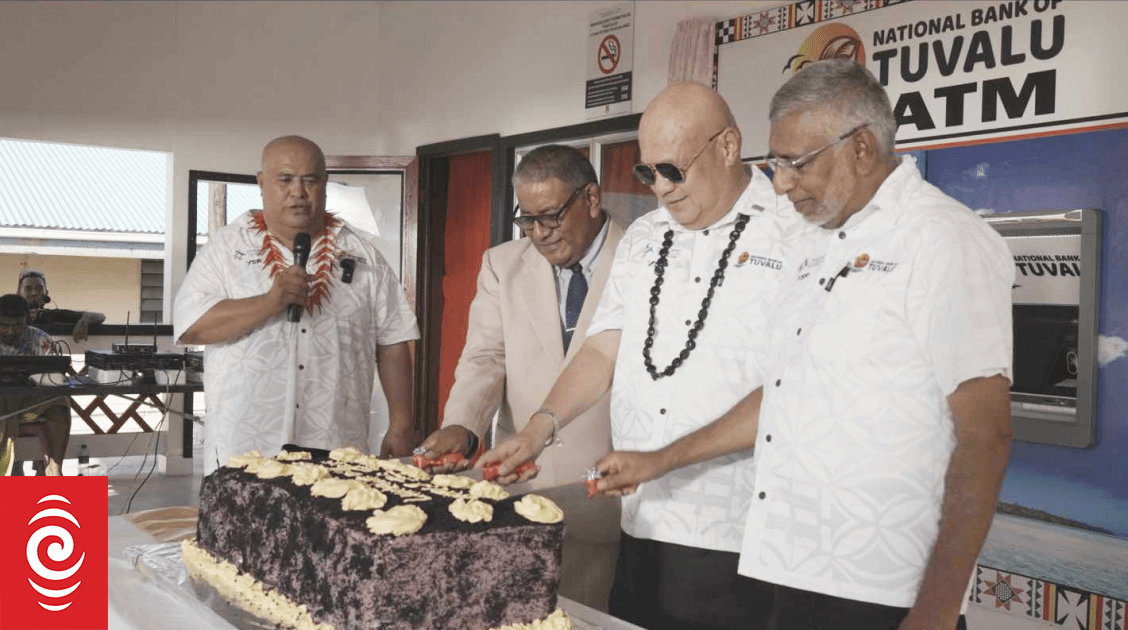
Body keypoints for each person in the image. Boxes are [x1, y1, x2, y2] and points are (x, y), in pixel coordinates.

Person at [596, 59, 1015, 630]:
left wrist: (936, 612)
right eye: (776, 163)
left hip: (882, 587)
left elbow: (986, 436)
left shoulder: (941, 238)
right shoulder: (815, 244)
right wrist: (661, 459)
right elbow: (783, 393)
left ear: (861, 148)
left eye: (797, 163)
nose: (782, 183)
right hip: (788, 573)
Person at [479, 83, 802, 630]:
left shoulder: (794, 232)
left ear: (728, 146)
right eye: (647, 173)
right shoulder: (644, 237)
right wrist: (537, 429)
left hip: (739, 534)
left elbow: (790, 391)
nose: (661, 189)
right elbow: (601, 348)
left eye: (673, 170)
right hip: (641, 522)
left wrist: (665, 458)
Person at [412, 144, 623, 609]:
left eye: (551, 217)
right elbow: (485, 357)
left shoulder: (641, 257)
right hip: (522, 487)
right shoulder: (502, 264)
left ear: (591, 198)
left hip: (611, 494)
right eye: (527, 220)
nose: (539, 234)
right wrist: (462, 426)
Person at [174, 135, 420, 474]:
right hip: (247, 446)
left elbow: (393, 339)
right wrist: (269, 302)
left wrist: (401, 424)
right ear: (261, 183)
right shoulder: (225, 249)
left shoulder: (364, 255)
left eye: (310, 180)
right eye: (285, 179)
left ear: (325, 183)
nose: (298, 192)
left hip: (336, 445)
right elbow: (191, 327)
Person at [0, 293, 70, 476]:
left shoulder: (40, 339)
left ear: (27, 319)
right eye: (4, 325)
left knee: (60, 403)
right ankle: (13, 471)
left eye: (17, 325)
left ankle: (54, 470)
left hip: (29, 408)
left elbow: (51, 374)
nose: (10, 331)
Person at [18, 270, 106, 342]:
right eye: (28, 289)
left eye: (39, 289)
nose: (34, 293)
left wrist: (84, 321)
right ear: (18, 293)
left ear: (46, 293)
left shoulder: (53, 315)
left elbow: (100, 316)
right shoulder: (11, 315)